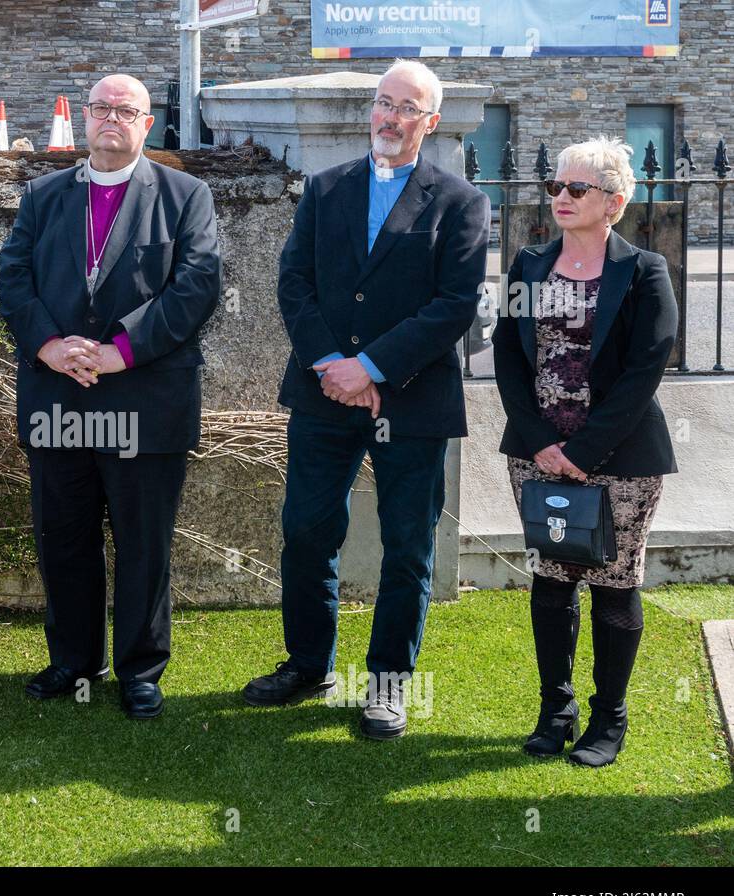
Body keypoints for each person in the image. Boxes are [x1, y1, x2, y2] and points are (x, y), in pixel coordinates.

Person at [243, 60, 490, 739]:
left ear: (430, 122)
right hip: (324, 393)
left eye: (407, 107)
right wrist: (333, 364)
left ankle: (387, 686)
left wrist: (374, 368)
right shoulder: (326, 189)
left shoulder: (460, 202)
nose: (390, 117)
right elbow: (294, 280)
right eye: (384, 102)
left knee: (408, 546)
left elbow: (454, 306)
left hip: (411, 401)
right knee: (306, 531)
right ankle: (307, 665)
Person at [0, 73, 222, 719]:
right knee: (63, 536)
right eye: (101, 109)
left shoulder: (185, 196)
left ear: (147, 124)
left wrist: (117, 351)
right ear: (87, 119)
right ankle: (73, 660)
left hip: (145, 400)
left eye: (127, 111)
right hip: (58, 395)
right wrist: (48, 347)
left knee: (143, 542)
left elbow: (196, 287)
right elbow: (13, 279)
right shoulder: (43, 196)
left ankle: (140, 669)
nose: (111, 120)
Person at [493, 137, 677, 767]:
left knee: (613, 586)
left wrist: (587, 448)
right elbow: (507, 357)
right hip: (536, 455)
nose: (561, 198)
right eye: (556, 187)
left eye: (577, 189)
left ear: (614, 202)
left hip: (623, 459)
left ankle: (609, 719)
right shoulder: (527, 266)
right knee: (552, 578)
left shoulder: (646, 271)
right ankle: (555, 710)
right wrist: (543, 442)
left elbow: (648, 366)